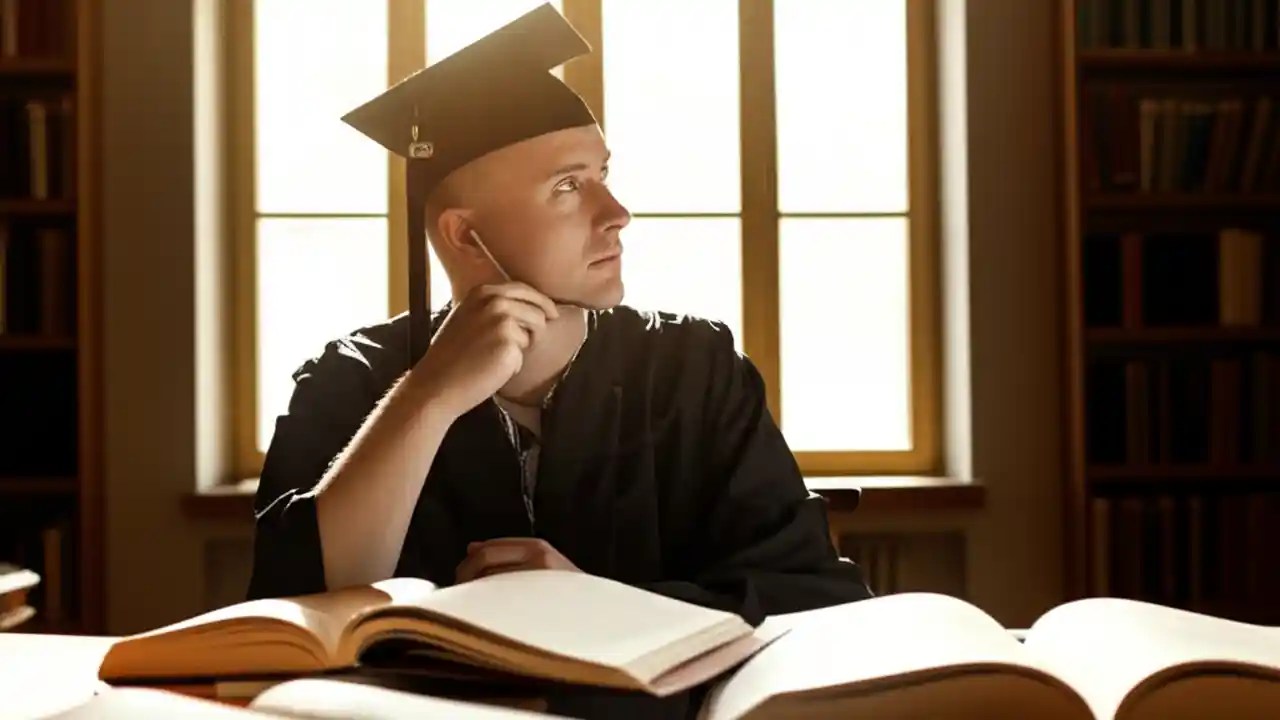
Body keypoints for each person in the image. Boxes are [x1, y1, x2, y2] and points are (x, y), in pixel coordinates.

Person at [248, 5, 871, 714]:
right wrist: (429, 398)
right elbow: (289, 616)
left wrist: (594, 609)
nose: (617, 213)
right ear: (464, 235)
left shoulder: (695, 369)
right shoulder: (353, 380)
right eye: (570, 186)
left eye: (603, 174)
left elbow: (819, 599)